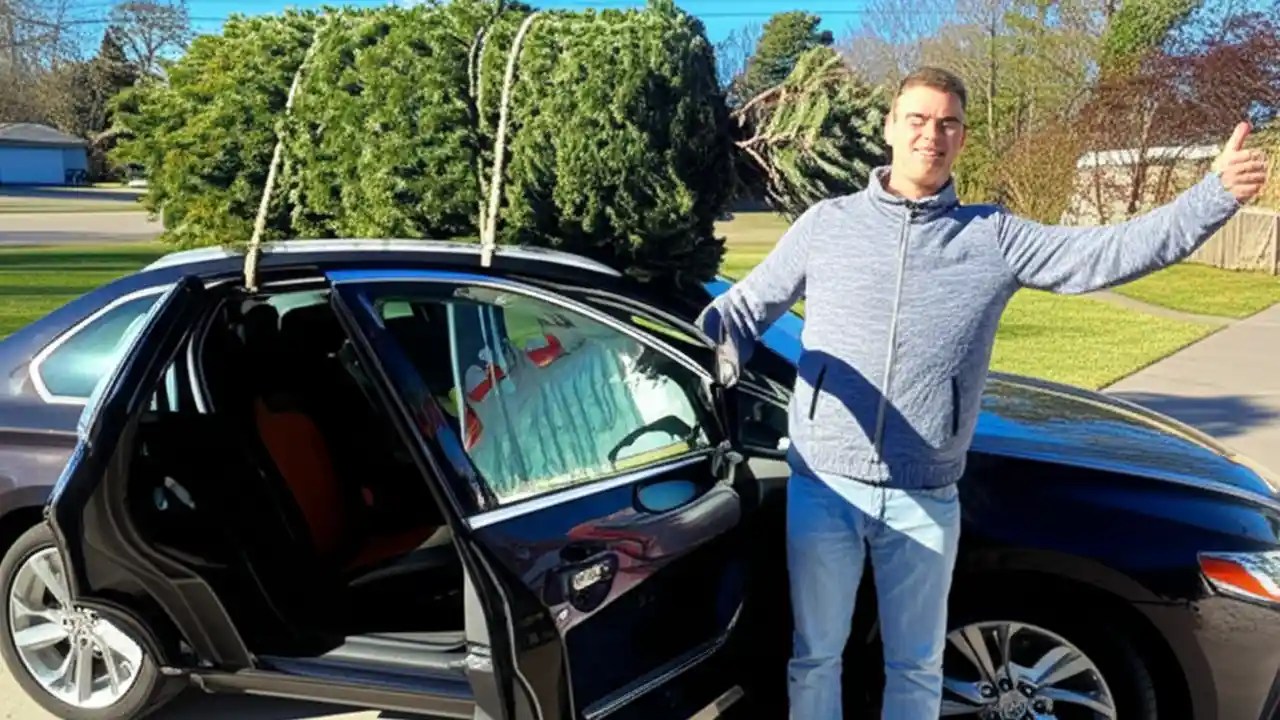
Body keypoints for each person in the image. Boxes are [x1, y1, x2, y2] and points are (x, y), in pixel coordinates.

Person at [697, 66, 1267, 719]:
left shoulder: (992, 237)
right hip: (824, 487)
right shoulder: (826, 225)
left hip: (925, 496)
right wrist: (708, 354)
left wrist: (1211, 196)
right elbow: (742, 311)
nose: (930, 136)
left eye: (947, 124)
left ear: (962, 139)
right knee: (815, 657)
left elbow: (1107, 253)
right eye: (917, 120)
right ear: (889, 128)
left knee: (915, 666)